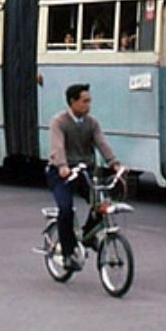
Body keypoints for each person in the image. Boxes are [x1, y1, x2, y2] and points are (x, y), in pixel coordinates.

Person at [46, 83, 124, 271]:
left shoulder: (92, 123)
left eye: (89, 101)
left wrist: (115, 164)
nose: (88, 105)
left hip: (84, 172)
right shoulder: (59, 122)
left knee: (102, 204)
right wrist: (62, 166)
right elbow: (57, 146)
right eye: (84, 101)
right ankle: (67, 254)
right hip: (61, 173)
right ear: (72, 102)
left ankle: (87, 236)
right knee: (66, 209)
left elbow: (101, 143)